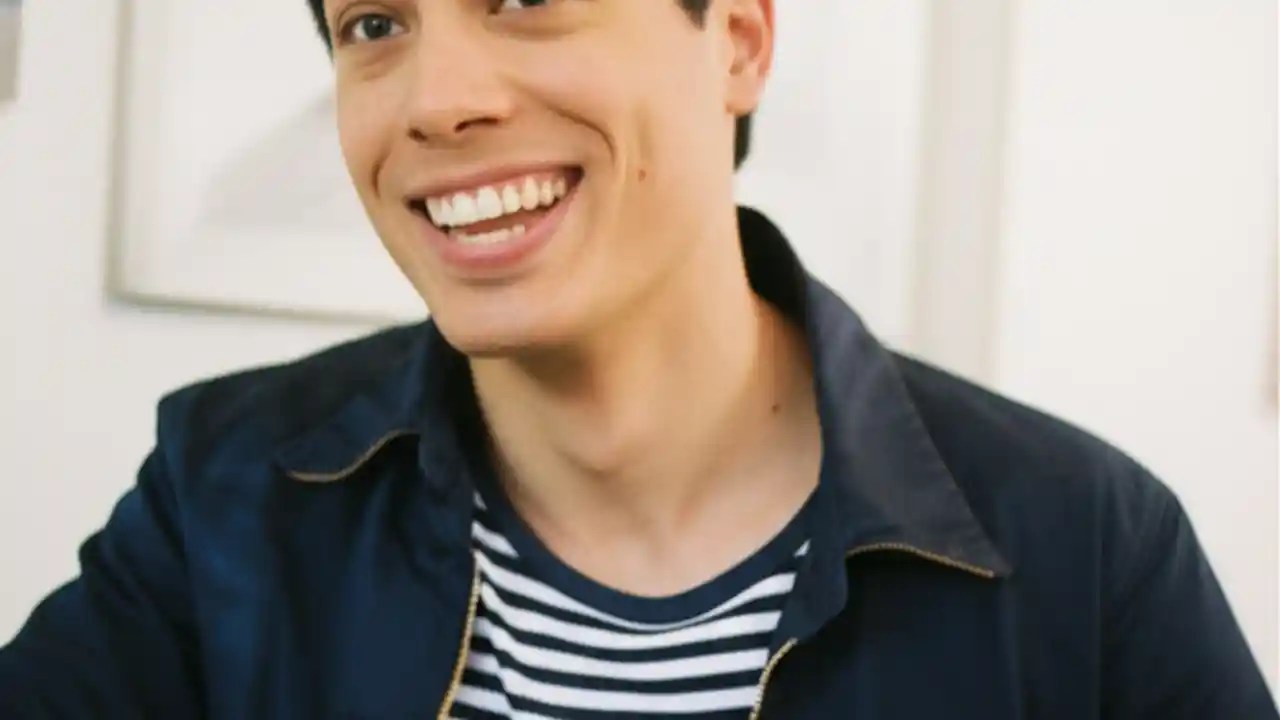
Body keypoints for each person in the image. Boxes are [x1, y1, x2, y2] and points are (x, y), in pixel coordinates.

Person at [1, 0, 1275, 717]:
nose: (436, 98)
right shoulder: (226, 501)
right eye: (375, 22)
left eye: (521, 0)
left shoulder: (1084, 553)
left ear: (738, 41)